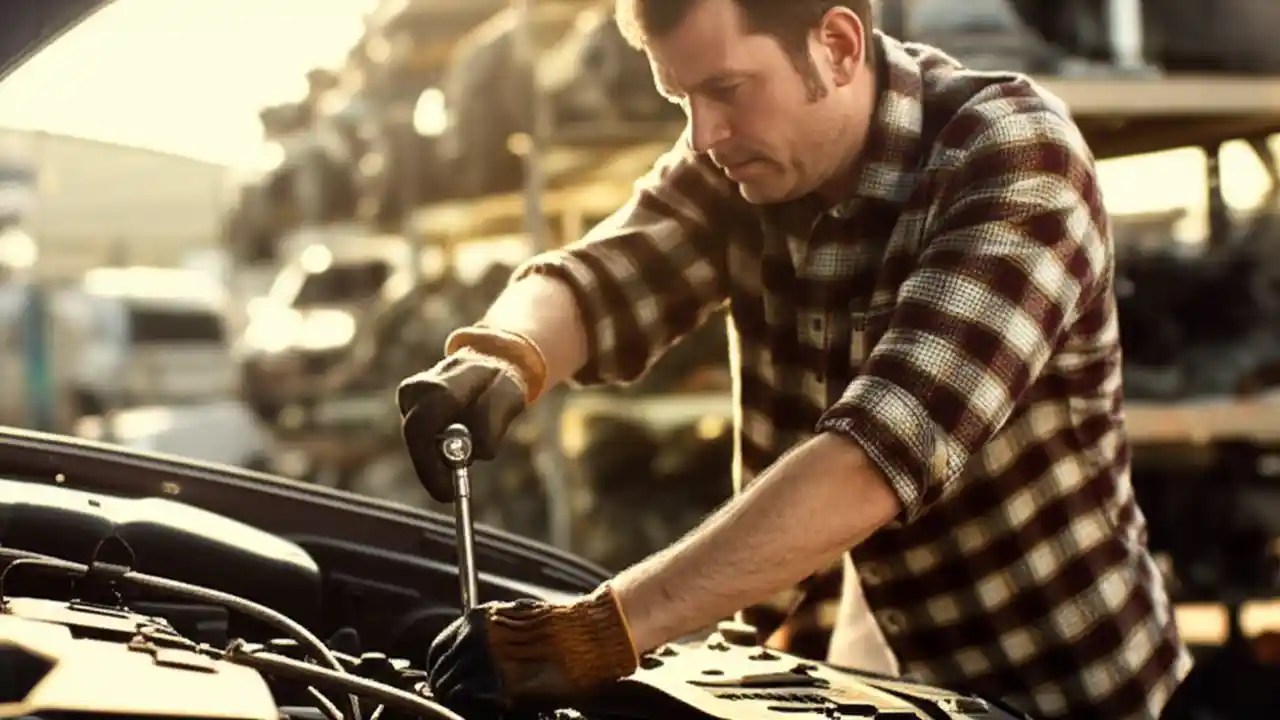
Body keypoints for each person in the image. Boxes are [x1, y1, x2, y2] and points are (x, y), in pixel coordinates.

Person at [396, 1, 1192, 718]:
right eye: (684, 100)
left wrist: (604, 631)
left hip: (1063, 686)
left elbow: (877, 454)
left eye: (727, 90)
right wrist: (504, 353)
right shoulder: (746, 161)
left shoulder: (1014, 157)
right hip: (861, 673)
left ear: (839, 45)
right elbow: (600, 278)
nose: (704, 134)